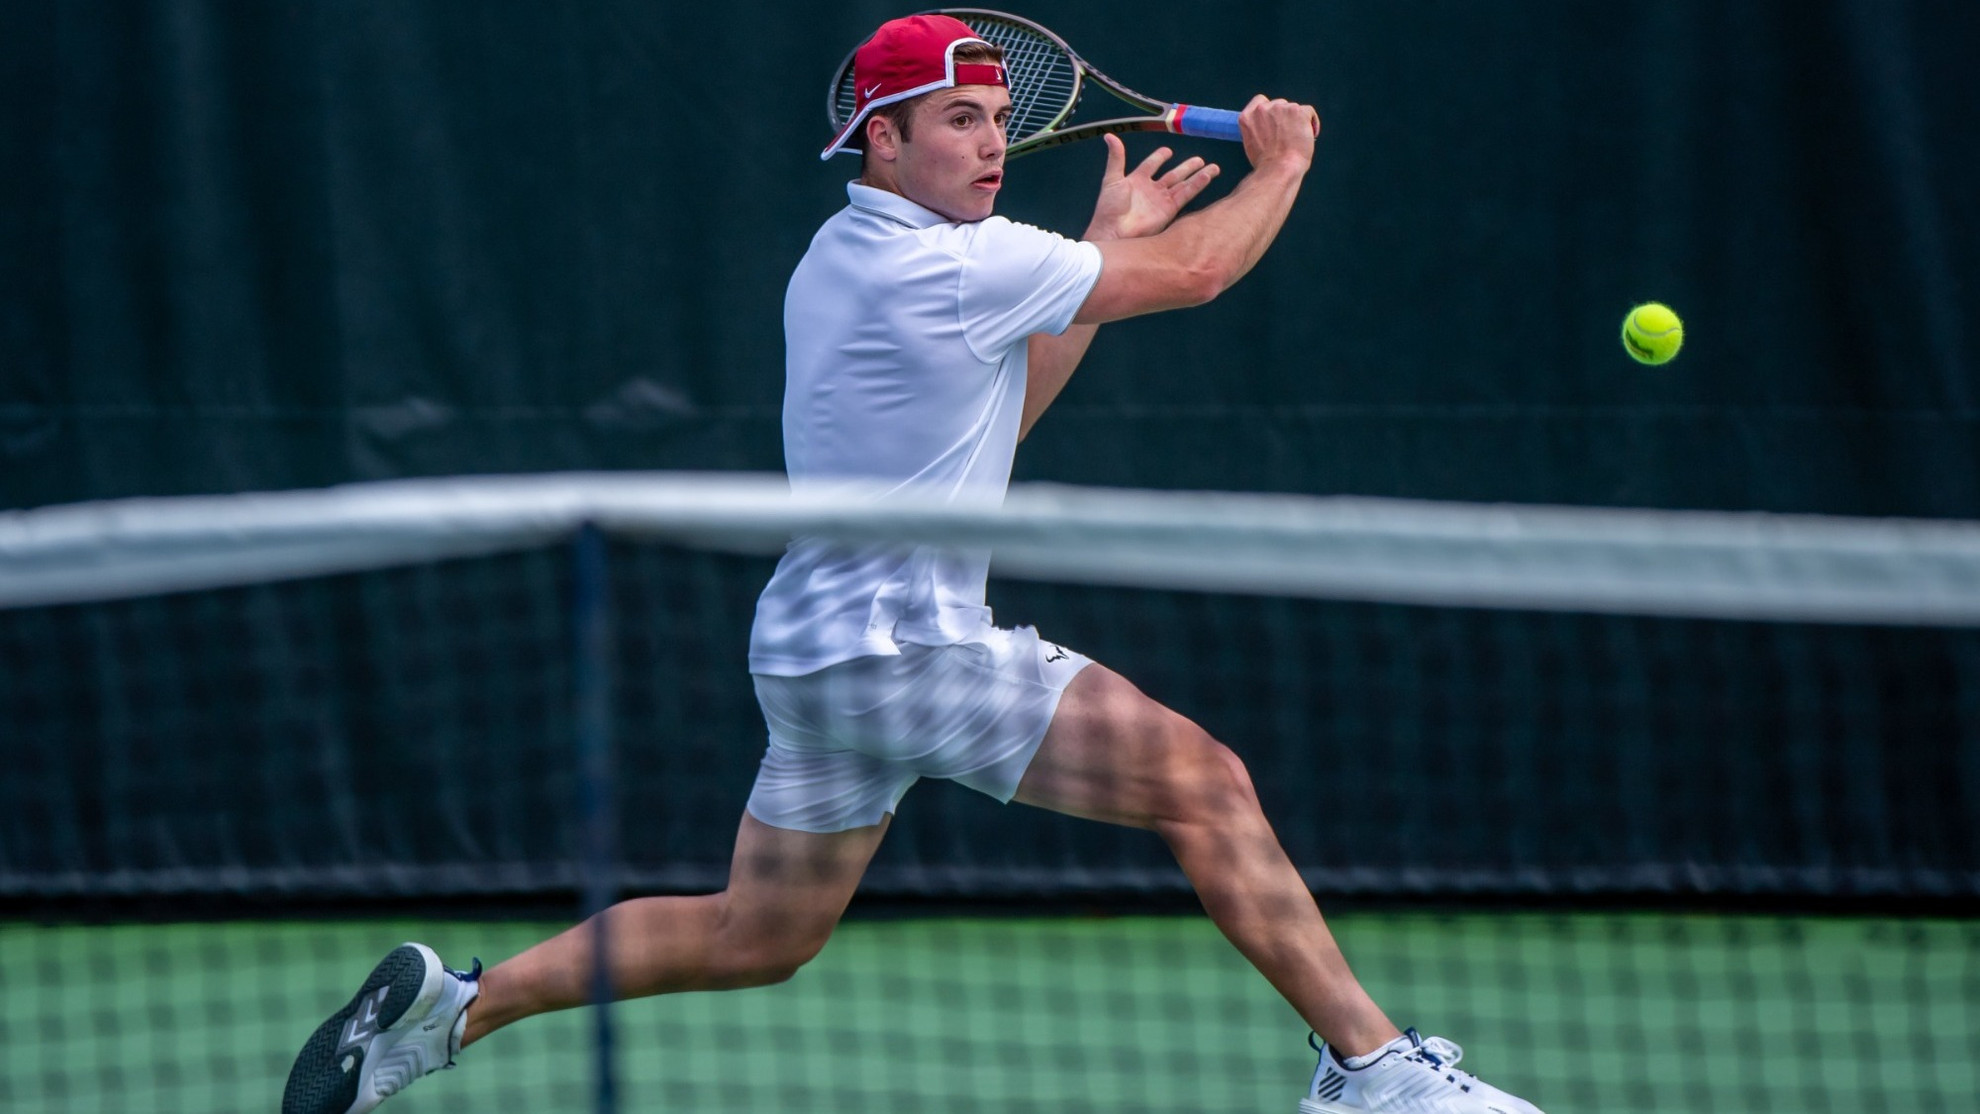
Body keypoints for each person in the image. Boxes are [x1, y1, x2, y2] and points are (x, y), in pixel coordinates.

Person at [282, 14, 1545, 1114]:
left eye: (999, 118)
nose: (994, 144)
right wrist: (1282, 163)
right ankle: (1370, 1066)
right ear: (883, 138)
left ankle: (451, 1009)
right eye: (960, 120)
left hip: (819, 657)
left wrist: (1097, 248)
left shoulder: (849, 256)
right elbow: (1206, 266)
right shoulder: (956, 265)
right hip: (906, 651)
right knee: (1202, 783)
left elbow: (1006, 408)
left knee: (755, 934)